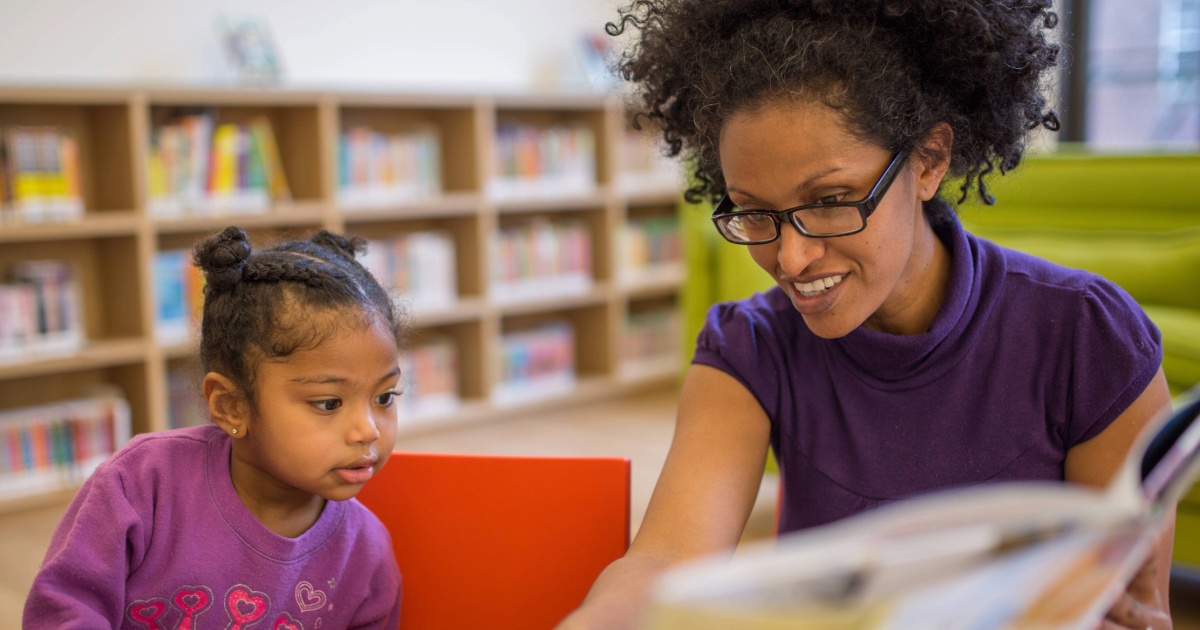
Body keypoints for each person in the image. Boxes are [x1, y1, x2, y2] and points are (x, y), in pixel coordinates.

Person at [559, 1, 1175, 629]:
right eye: (754, 212)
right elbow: (665, 558)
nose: (790, 258)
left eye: (828, 201)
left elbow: (1129, 597)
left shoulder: (1088, 336)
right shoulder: (750, 348)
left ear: (929, 160)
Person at [24, 228, 403, 630]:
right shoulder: (139, 484)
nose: (368, 431)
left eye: (384, 397)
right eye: (328, 403)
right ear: (231, 406)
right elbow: (62, 610)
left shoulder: (367, 551)